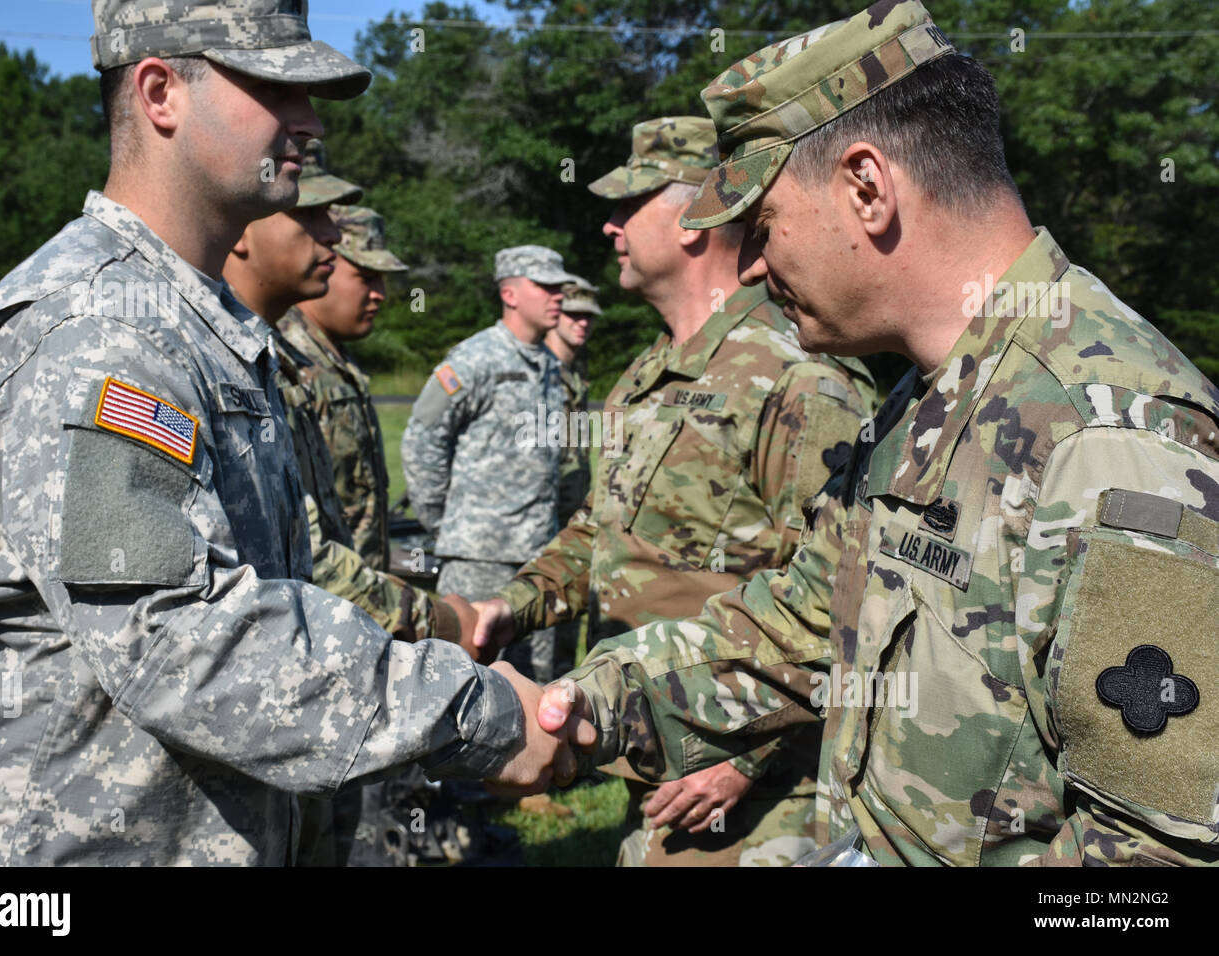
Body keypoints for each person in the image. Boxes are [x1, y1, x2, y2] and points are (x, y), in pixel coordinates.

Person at [540, 0, 1219, 866]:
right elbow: (795, 629)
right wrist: (574, 708)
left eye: (764, 225)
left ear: (867, 188)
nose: (748, 264)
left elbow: (1152, 866)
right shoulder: (925, 399)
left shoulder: (1108, 437)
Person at [0, 0, 587, 866]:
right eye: (274, 87)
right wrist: (475, 712)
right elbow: (183, 639)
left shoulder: (196, 322)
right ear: (161, 92)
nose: (308, 124)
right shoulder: (100, 328)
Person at [470, 116, 876, 866]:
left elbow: (852, 598)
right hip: (649, 738)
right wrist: (513, 605)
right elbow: (599, 531)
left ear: (696, 219)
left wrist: (746, 758)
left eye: (630, 203)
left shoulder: (799, 377)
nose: (610, 224)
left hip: (756, 790)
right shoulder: (647, 376)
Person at [222, 141, 468, 647]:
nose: (331, 237)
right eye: (309, 215)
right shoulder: (236, 361)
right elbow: (300, 551)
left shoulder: (274, 358)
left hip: (340, 628)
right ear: (244, 229)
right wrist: (433, 619)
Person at [401, 245, 570, 679]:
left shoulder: (550, 366)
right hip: (479, 558)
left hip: (537, 559)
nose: (559, 296)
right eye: (545, 286)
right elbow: (423, 437)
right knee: (462, 681)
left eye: (560, 286)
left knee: (536, 685)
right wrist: (446, 524)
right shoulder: (475, 359)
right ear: (510, 294)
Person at [281, 204, 407, 574]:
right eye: (366, 277)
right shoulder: (286, 359)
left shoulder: (339, 360)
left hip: (360, 597)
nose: (380, 294)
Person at [540, 275, 598, 682]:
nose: (583, 324)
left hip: (572, 512)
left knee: (569, 614)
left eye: (589, 318)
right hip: (540, 516)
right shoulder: (537, 371)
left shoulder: (574, 373)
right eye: (574, 316)